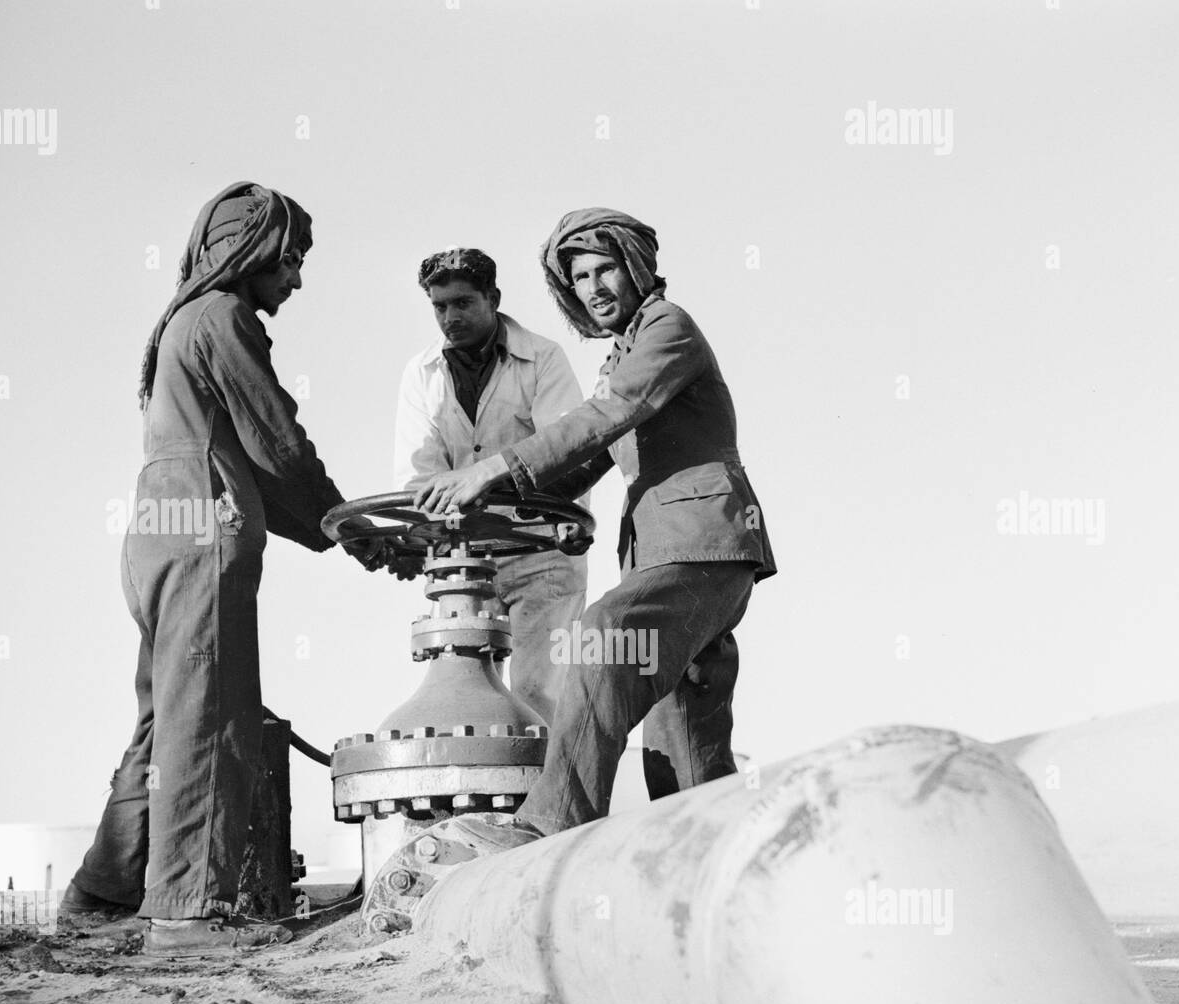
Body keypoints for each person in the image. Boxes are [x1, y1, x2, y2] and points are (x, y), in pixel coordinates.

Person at [58, 181, 388, 953]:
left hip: (156, 529)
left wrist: (339, 532)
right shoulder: (223, 316)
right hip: (204, 521)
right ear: (253, 249)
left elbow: (256, 452)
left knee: (163, 718)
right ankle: (189, 913)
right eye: (292, 260)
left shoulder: (180, 323)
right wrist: (350, 527)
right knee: (210, 717)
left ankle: (102, 893)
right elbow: (275, 439)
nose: (297, 280)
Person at [412, 208, 775, 844]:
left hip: (702, 547)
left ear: (635, 268)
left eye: (606, 269)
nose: (595, 288)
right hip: (667, 554)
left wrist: (492, 466)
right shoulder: (623, 355)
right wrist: (486, 508)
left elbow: (608, 417)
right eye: (580, 278)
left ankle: (550, 827)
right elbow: (586, 463)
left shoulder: (668, 330)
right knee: (683, 739)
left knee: (600, 639)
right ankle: (707, 857)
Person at [395, 247, 588, 724]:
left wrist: (486, 482)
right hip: (467, 557)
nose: (449, 317)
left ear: (493, 298)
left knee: (537, 693)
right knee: (461, 695)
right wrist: (421, 531)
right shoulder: (422, 374)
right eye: (439, 307)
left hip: (539, 549)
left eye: (462, 303)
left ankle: (549, 798)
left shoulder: (542, 359)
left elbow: (564, 452)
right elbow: (418, 473)